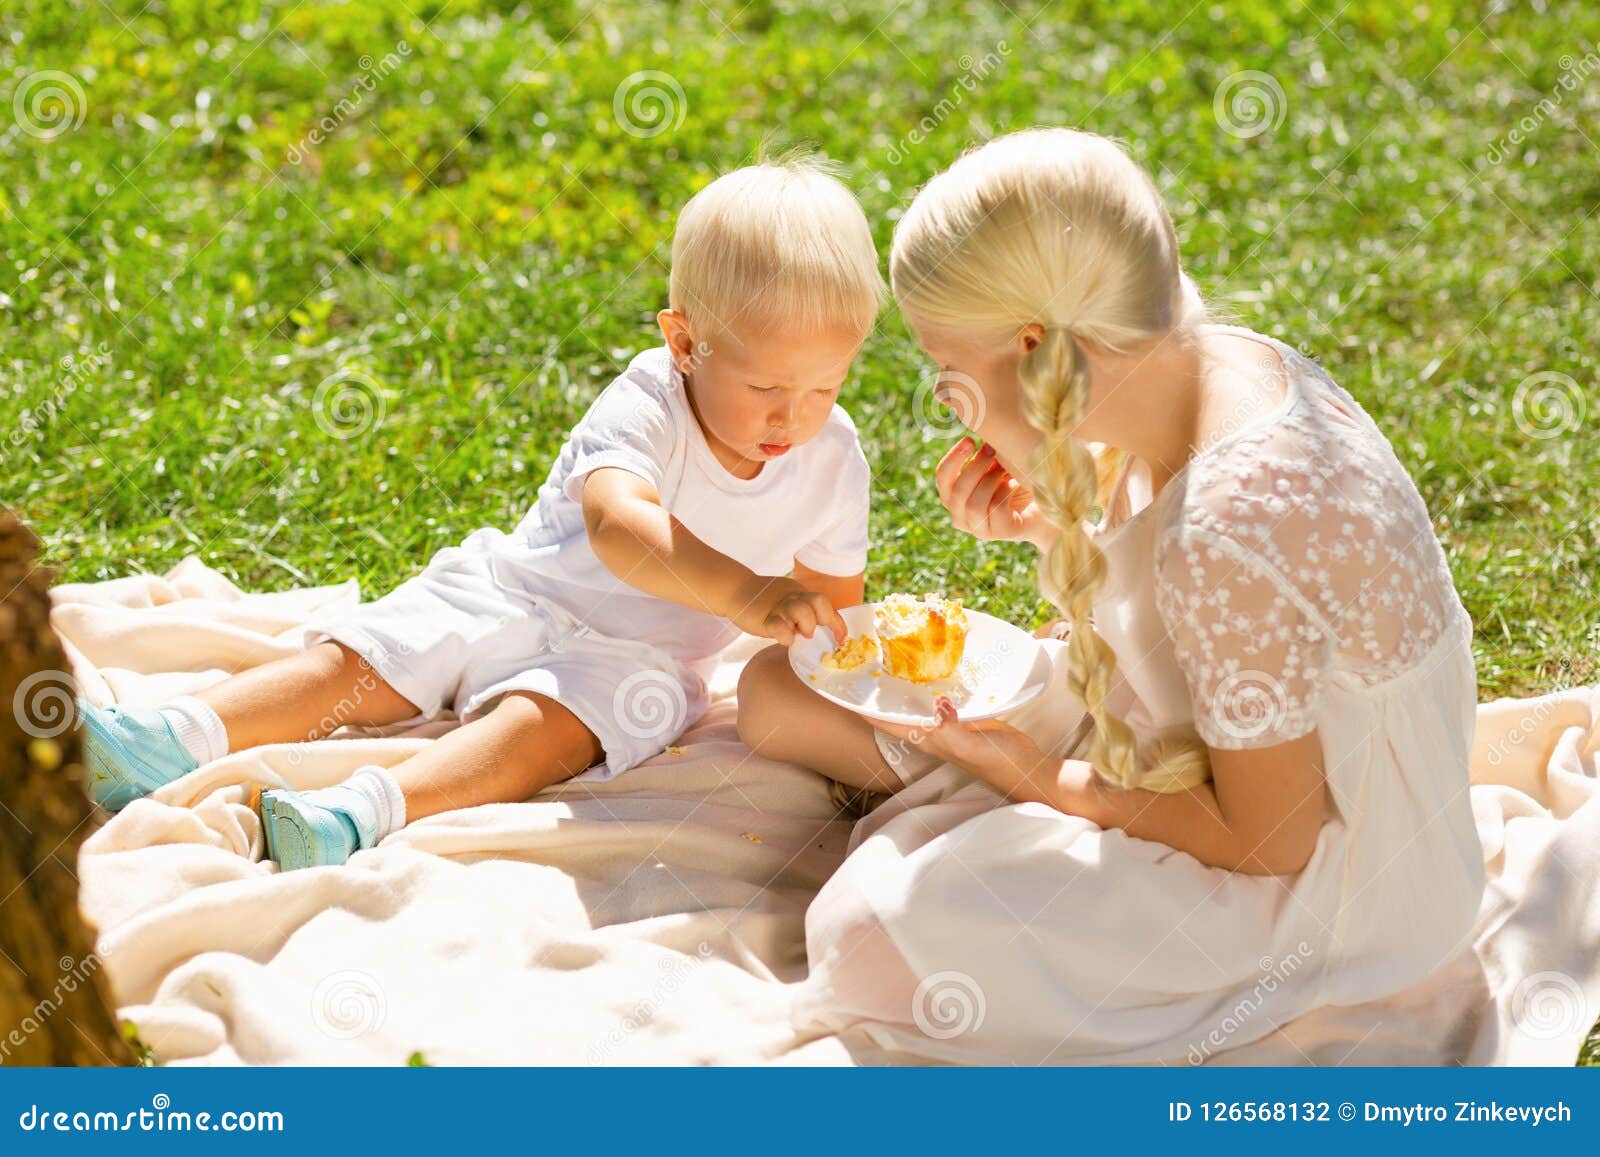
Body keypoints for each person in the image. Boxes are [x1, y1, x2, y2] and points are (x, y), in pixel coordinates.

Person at [737, 128, 1485, 1063]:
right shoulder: (1215, 360)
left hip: (1328, 881)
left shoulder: (1229, 525)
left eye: (950, 377)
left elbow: (1269, 844)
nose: (949, 405)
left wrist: (1037, 780)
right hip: (1198, 740)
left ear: (1037, 349)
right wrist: (1050, 524)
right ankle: (987, 815)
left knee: (870, 935)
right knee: (775, 694)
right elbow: (1190, 625)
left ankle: (993, 833)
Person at [79, 156, 882, 871]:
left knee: (542, 736)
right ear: (684, 343)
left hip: (637, 660)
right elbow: (615, 523)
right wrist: (748, 595)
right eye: (767, 390)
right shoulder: (649, 400)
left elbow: (832, 616)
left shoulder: (833, 460)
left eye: (825, 387)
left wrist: (834, 666)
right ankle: (172, 736)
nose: (793, 419)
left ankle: (359, 812)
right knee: (366, 660)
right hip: (515, 589)